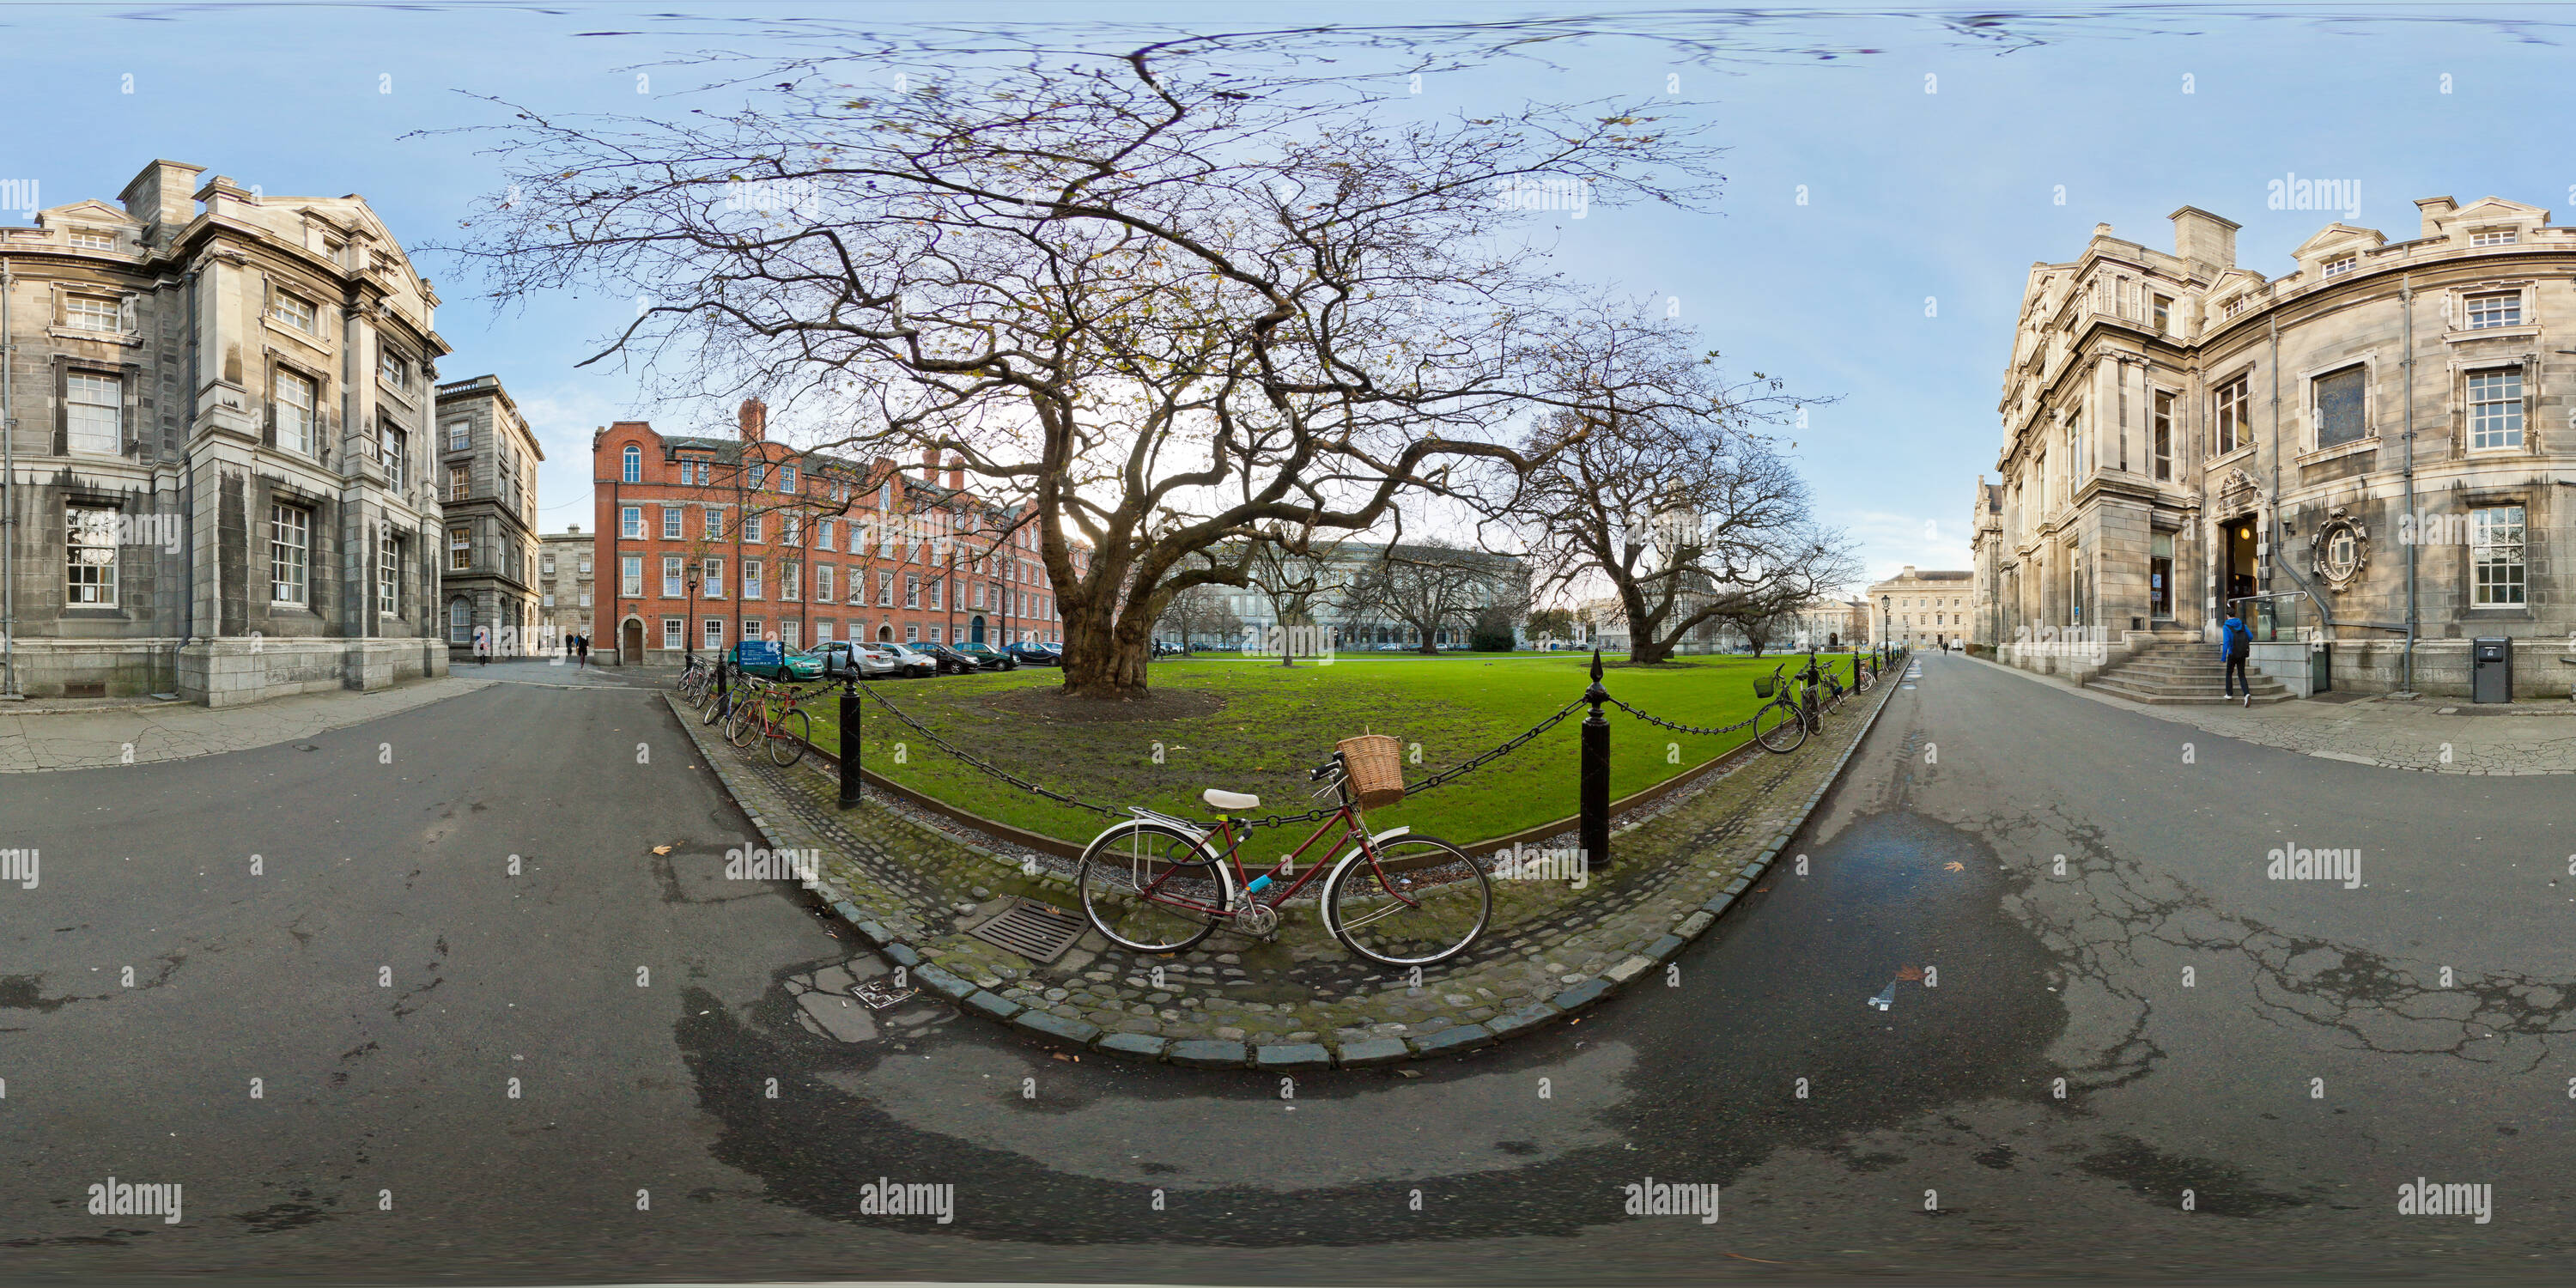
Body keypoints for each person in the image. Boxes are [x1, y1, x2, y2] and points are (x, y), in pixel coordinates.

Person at [2220, 610, 2253, 707]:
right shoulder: (2242, 625)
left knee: (2229, 673)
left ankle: (2229, 694)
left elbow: (2226, 642)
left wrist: (2223, 657)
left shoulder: (2226, 627)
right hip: (2242, 653)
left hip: (2232, 653)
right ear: (2235, 615)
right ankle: (2246, 694)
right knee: (2241, 674)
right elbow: (2250, 637)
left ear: (2227, 616)